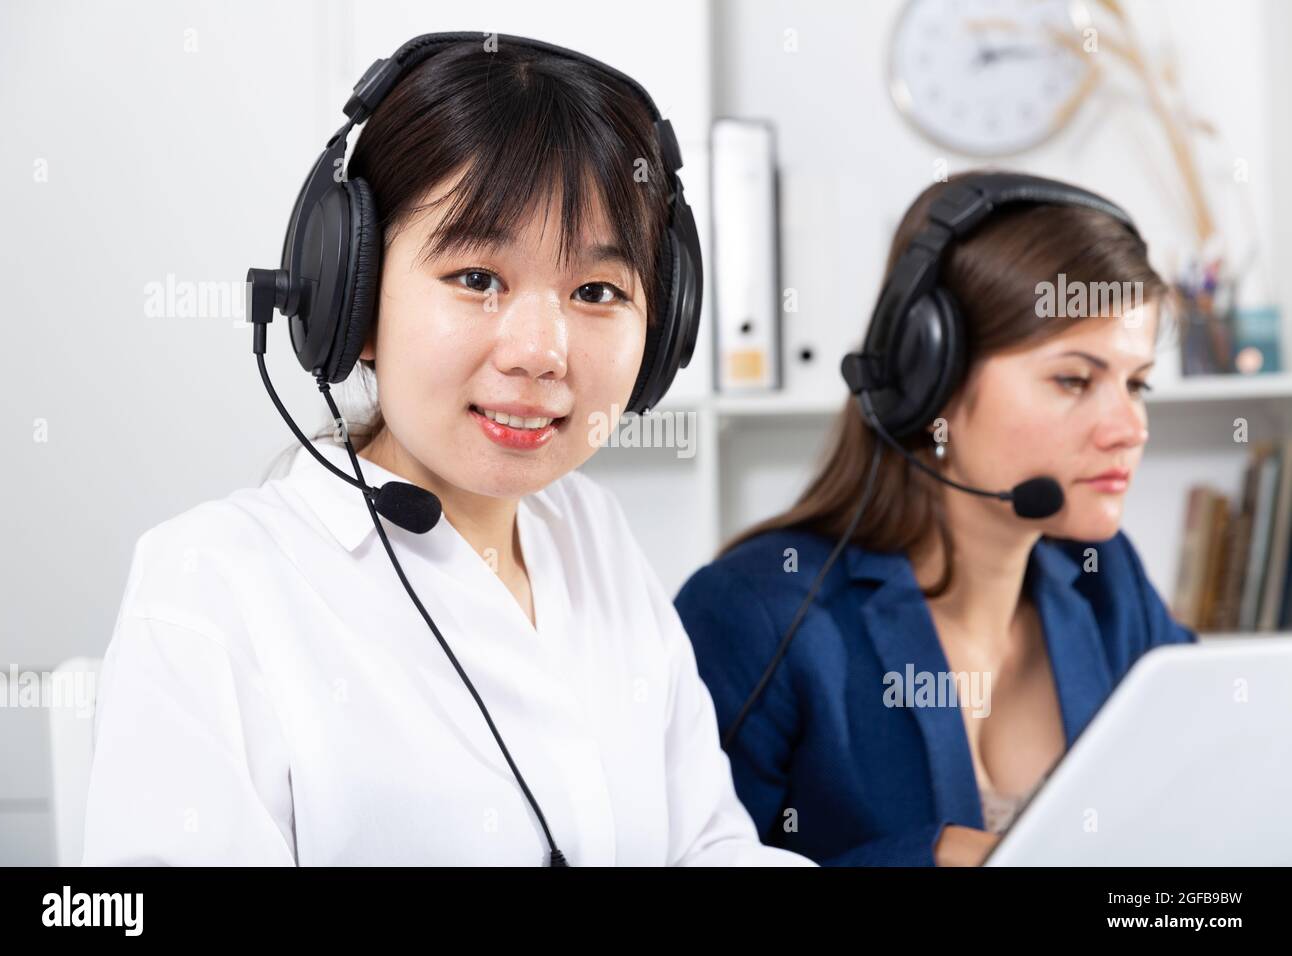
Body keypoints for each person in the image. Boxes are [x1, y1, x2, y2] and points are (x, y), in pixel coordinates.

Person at [82, 33, 813, 867]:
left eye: (597, 291)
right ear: (348, 297)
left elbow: (707, 847)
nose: (541, 352)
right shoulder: (211, 586)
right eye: (477, 278)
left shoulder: (593, 535)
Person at [674, 172, 1197, 867]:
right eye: (1074, 380)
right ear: (930, 378)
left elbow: (1203, 797)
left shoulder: (1106, 583)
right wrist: (937, 858)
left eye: (1137, 384)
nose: (1129, 428)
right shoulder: (757, 615)